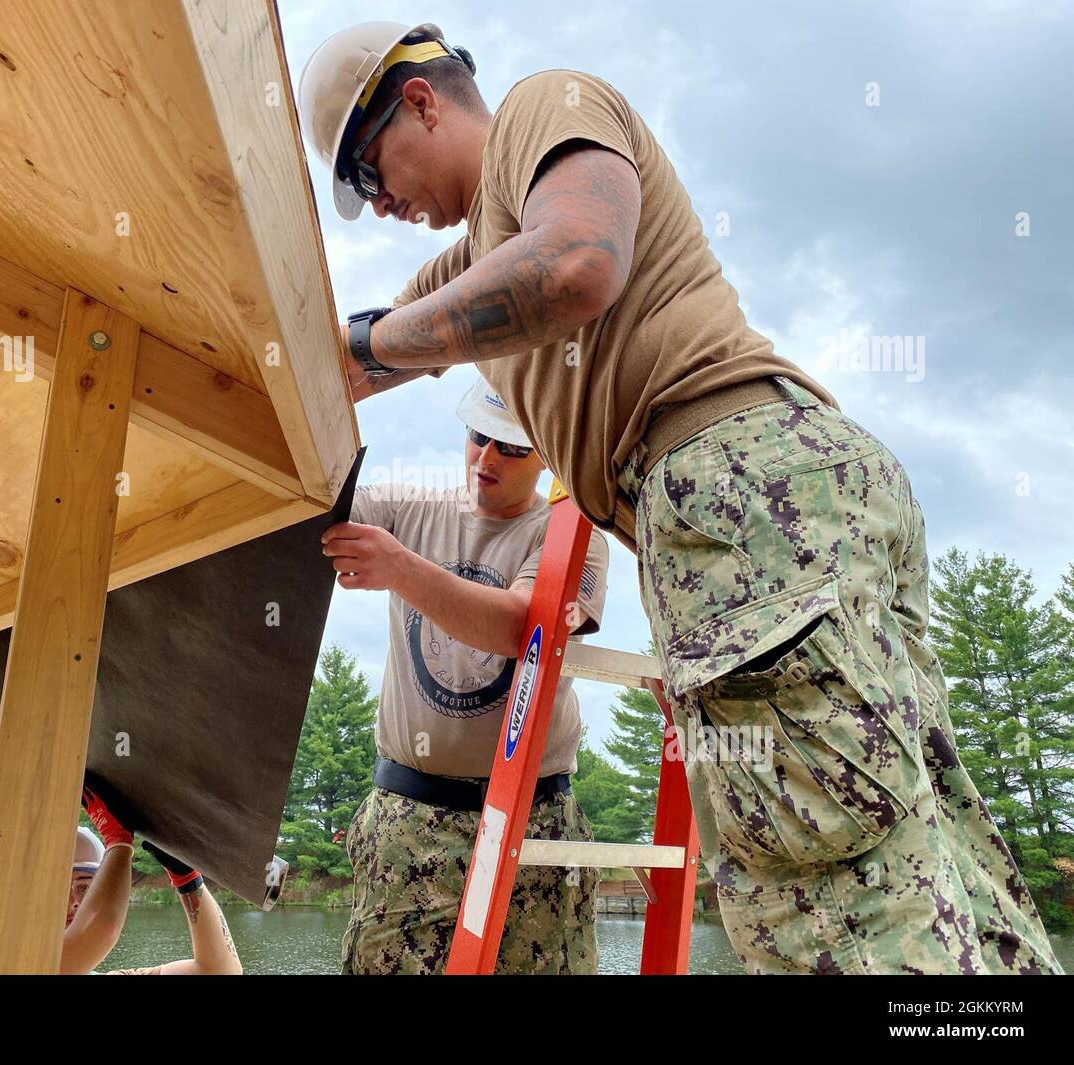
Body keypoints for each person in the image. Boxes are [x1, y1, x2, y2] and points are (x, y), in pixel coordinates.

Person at [298, 21, 1063, 974]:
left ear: (419, 101)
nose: (379, 207)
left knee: (818, 887)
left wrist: (374, 349)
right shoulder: (478, 252)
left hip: (737, 491)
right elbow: (368, 343)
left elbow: (576, 261)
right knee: (914, 846)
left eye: (370, 175)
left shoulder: (545, 105)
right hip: (775, 495)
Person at [322, 379, 609, 974]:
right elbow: (318, 503)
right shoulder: (410, 509)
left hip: (532, 830)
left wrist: (400, 568)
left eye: (510, 447)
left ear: (550, 455)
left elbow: (521, 630)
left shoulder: (571, 539)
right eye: (478, 437)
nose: (486, 458)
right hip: (408, 820)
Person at [60, 787, 242, 975]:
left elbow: (219, 971)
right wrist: (118, 841)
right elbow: (102, 929)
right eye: (59, 891)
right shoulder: (28, 960)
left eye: (85, 888)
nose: (73, 902)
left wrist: (186, 877)